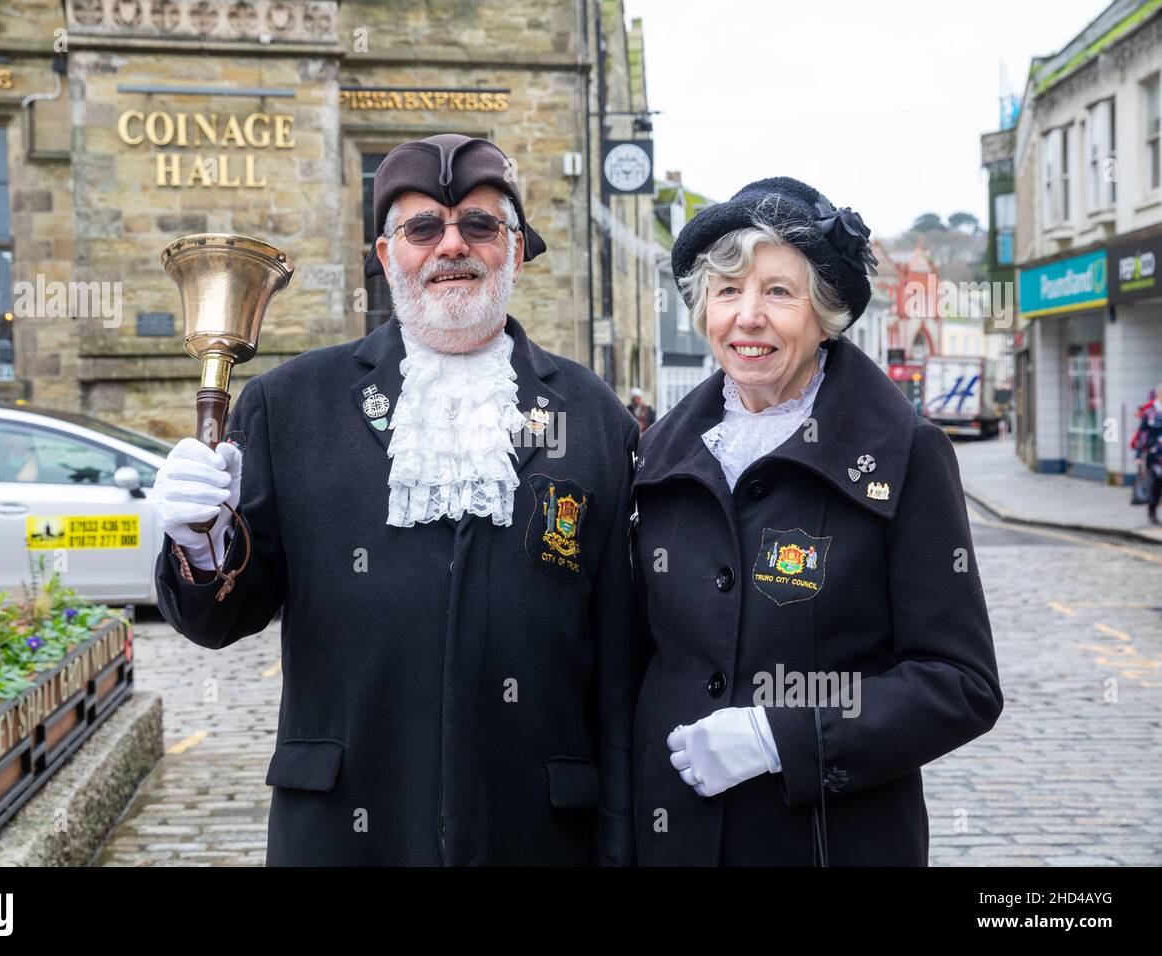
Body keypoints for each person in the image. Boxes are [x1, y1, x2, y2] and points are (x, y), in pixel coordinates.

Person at [151, 134, 643, 866]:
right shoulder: (291, 405)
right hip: (344, 832)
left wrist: (620, 841)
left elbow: (620, 663)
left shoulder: (592, 412)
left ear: (513, 248)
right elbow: (222, 618)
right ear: (386, 257)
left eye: (478, 225)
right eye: (422, 228)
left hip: (537, 833)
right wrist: (198, 541)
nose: (452, 246)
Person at [629, 177, 1004, 866]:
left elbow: (961, 685)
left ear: (824, 312)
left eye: (778, 292)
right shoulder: (655, 457)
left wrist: (782, 737)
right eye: (727, 291)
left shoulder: (906, 454)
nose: (747, 317)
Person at [1132, 384, 1162, 524]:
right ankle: (1152, 511)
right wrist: (1138, 456)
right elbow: (1143, 435)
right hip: (1155, 456)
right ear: (1158, 395)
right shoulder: (1150, 412)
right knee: (1156, 485)